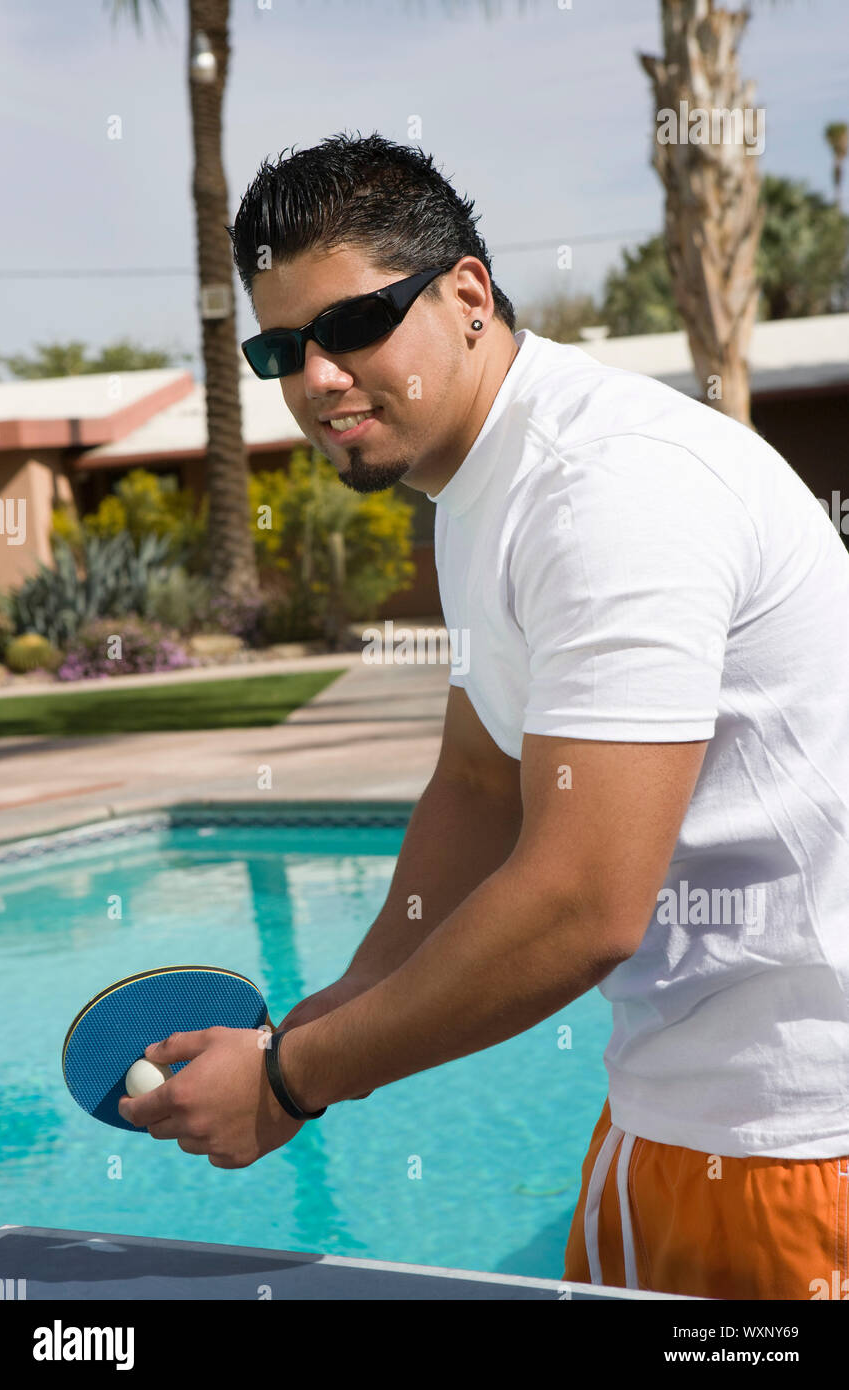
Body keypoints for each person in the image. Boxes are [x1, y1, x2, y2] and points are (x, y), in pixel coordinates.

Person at [119, 132, 849, 1302]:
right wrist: (331, 1010)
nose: (315, 377)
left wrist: (296, 1079)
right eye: (279, 347)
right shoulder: (475, 483)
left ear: (466, 294)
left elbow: (581, 902)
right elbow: (475, 780)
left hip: (785, 1142)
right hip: (676, 1108)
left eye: (352, 325)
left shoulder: (606, 489)